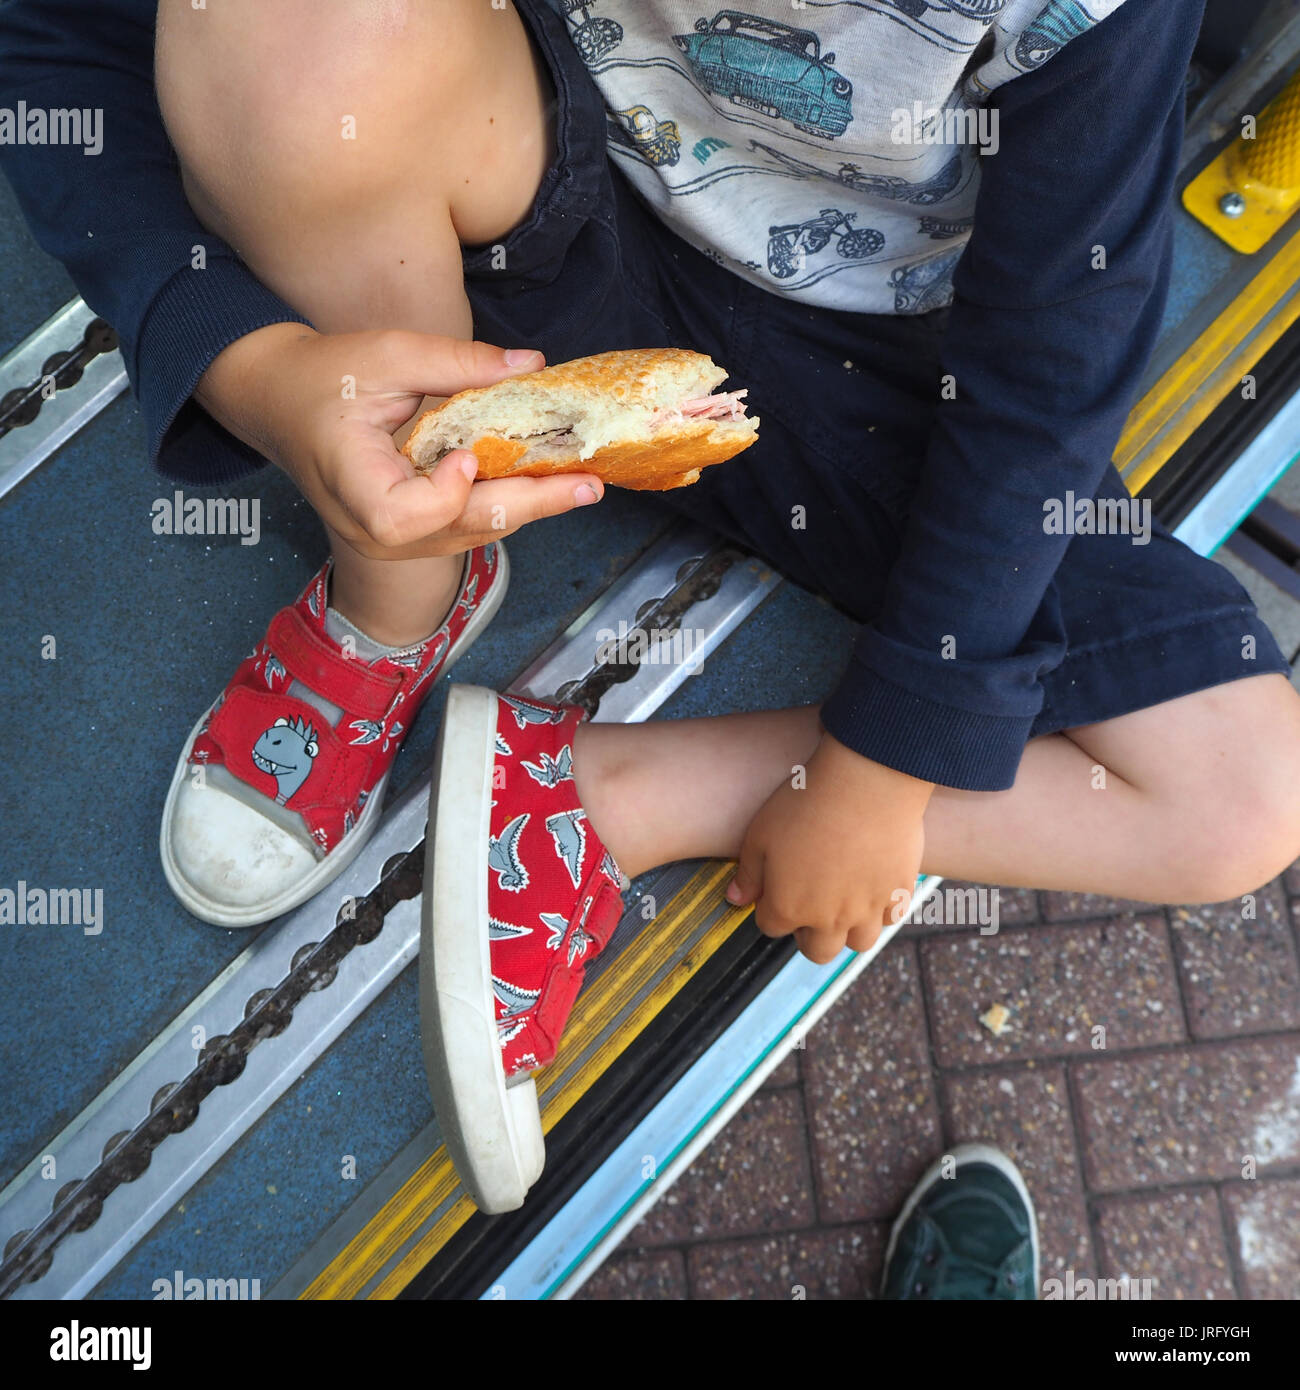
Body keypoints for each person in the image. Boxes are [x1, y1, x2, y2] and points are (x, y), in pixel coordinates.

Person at [4, 0, 1299, 1194]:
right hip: (520, 206)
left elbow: (1052, 361)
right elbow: (57, 33)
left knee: (1243, 793)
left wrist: (884, 758)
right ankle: (405, 579)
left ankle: (596, 790)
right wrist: (259, 368)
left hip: (873, 366)